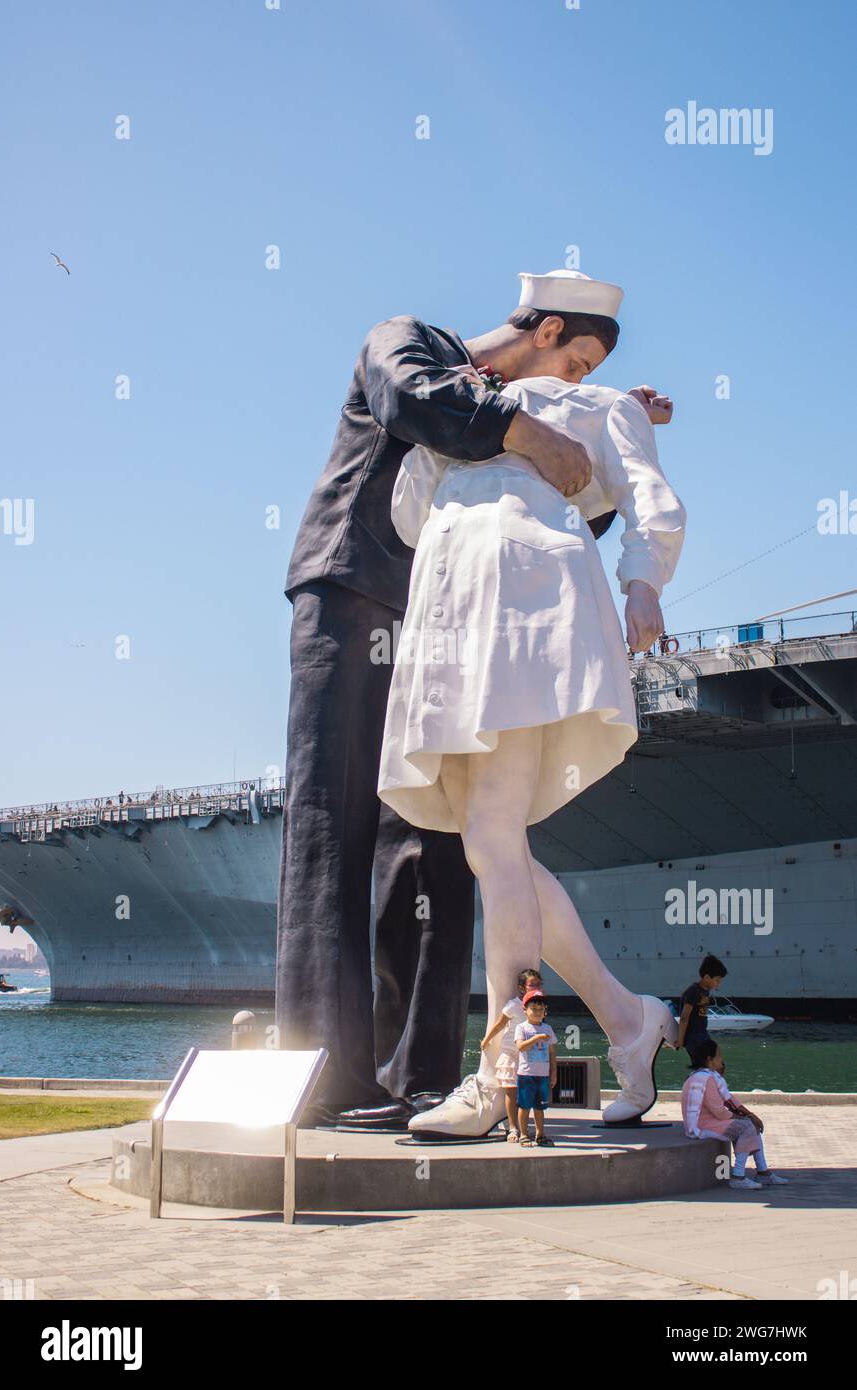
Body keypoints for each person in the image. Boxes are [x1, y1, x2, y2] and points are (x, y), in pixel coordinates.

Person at [277, 267, 674, 1127]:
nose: (581, 383)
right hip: (377, 598)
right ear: (544, 332)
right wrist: (541, 424)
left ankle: (445, 1072)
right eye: (577, 363)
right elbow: (415, 403)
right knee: (362, 832)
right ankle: (331, 1070)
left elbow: (590, 502)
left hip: (482, 615)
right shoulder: (415, 342)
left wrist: (604, 430)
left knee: (459, 849)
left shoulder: (571, 410)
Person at [682, 1038, 788, 1189]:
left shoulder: (703, 1077)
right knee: (746, 1127)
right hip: (701, 1126)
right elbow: (719, 1111)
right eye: (719, 1055)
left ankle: (763, 1173)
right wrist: (744, 1118)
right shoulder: (706, 1079)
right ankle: (738, 1177)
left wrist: (749, 1114)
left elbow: (730, 1100)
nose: (722, 1059)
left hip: (708, 1122)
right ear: (709, 1059)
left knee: (750, 1123)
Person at [480, 966, 543, 1141]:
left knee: (528, 1092)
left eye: (538, 984)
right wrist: (487, 1039)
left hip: (529, 1055)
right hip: (511, 1053)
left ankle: (523, 1126)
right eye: (532, 985)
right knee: (511, 1092)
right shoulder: (514, 1005)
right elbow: (500, 1025)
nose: (536, 987)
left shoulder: (538, 1006)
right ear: (522, 987)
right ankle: (512, 1127)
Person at [514, 990, 558, 1146]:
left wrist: (554, 1073)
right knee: (524, 1106)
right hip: (526, 1074)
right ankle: (524, 1134)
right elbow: (520, 1047)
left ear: (545, 1011)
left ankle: (540, 1135)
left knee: (540, 1107)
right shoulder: (522, 1028)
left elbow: (552, 1052)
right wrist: (537, 1037)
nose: (538, 1012)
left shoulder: (548, 1028)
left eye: (541, 1009)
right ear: (525, 1010)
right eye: (534, 1008)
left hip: (543, 1075)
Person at [677, 955, 726, 1057]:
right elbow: (684, 1018)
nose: (718, 984)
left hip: (702, 1035)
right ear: (707, 977)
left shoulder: (706, 992)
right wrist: (680, 1041)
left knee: (716, 1061)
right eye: (717, 980)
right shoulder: (694, 991)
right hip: (694, 1038)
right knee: (706, 1065)